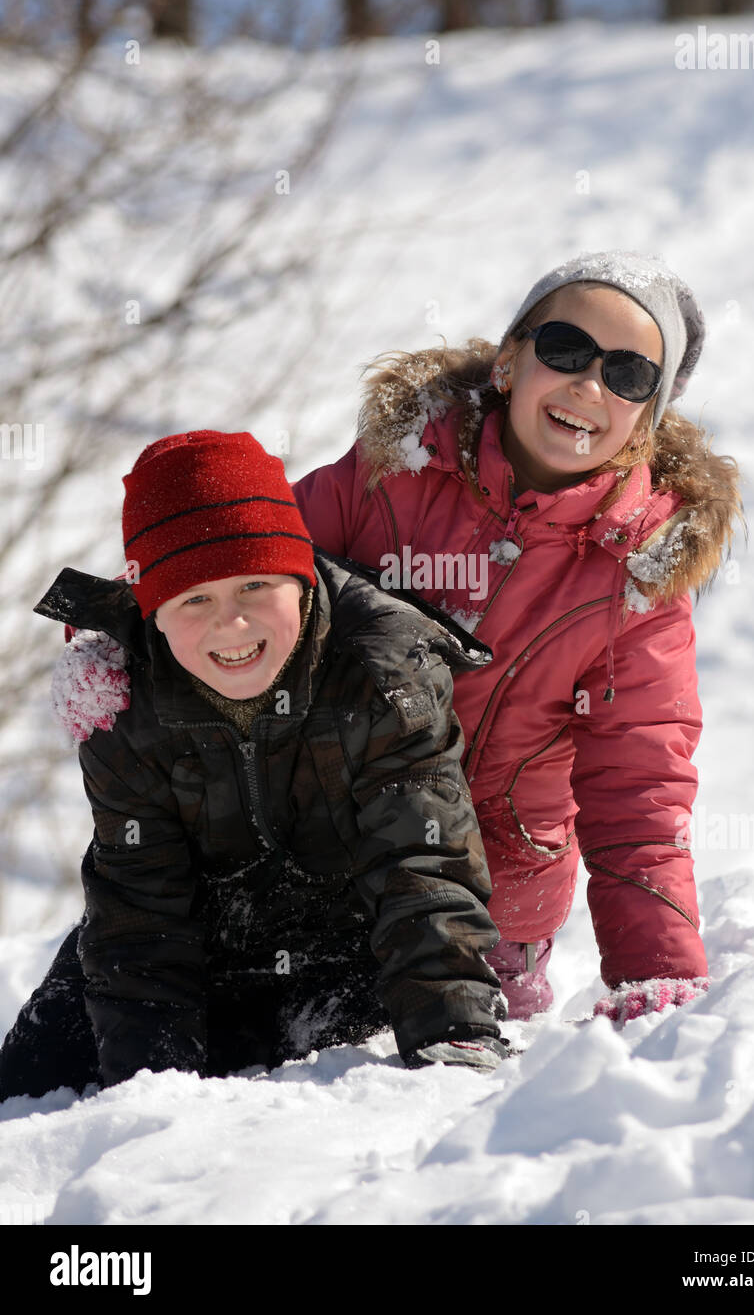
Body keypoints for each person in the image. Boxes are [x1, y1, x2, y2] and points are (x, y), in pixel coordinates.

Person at [42, 251, 744, 1029]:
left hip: (491, 899)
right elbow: (233, 563)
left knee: (428, 1083)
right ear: (510, 361)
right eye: (566, 351)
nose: (587, 385)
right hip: (330, 853)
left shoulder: (634, 582)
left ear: (647, 419)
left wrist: (656, 972)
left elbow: (639, 794)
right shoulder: (392, 474)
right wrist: (115, 636)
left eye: (628, 375)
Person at [0, 431, 507, 1103]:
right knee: (29, 1088)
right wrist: (149, 1092)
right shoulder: (121, 697)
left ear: (298, 578)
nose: (231, 625)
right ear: (154, 611)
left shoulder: (380, 666)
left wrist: (454, 1031)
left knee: (288, 1063)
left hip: (348, 942)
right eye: (194, 599)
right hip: (202, 938)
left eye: (254, 585)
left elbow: (421, 861)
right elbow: (141, 908)